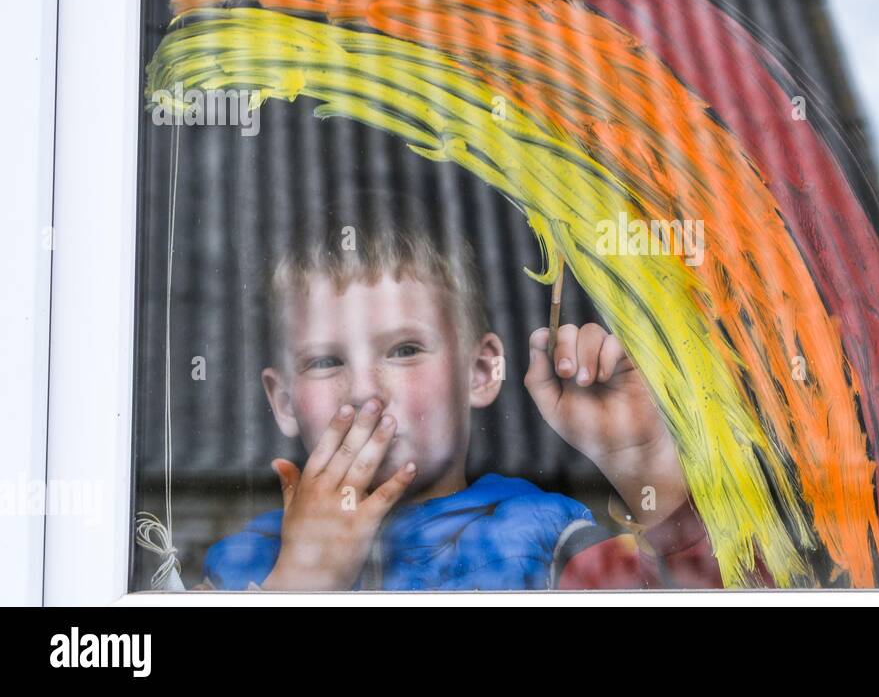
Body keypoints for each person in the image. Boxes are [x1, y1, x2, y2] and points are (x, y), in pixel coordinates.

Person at [196, 196, 732, 590]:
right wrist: (299, 583)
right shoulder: (240, 568)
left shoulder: (546, 543)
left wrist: (642, 464)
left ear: (481, 371)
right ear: (284, 401)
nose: (363, 391)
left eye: (405, 350)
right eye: (326, 361)